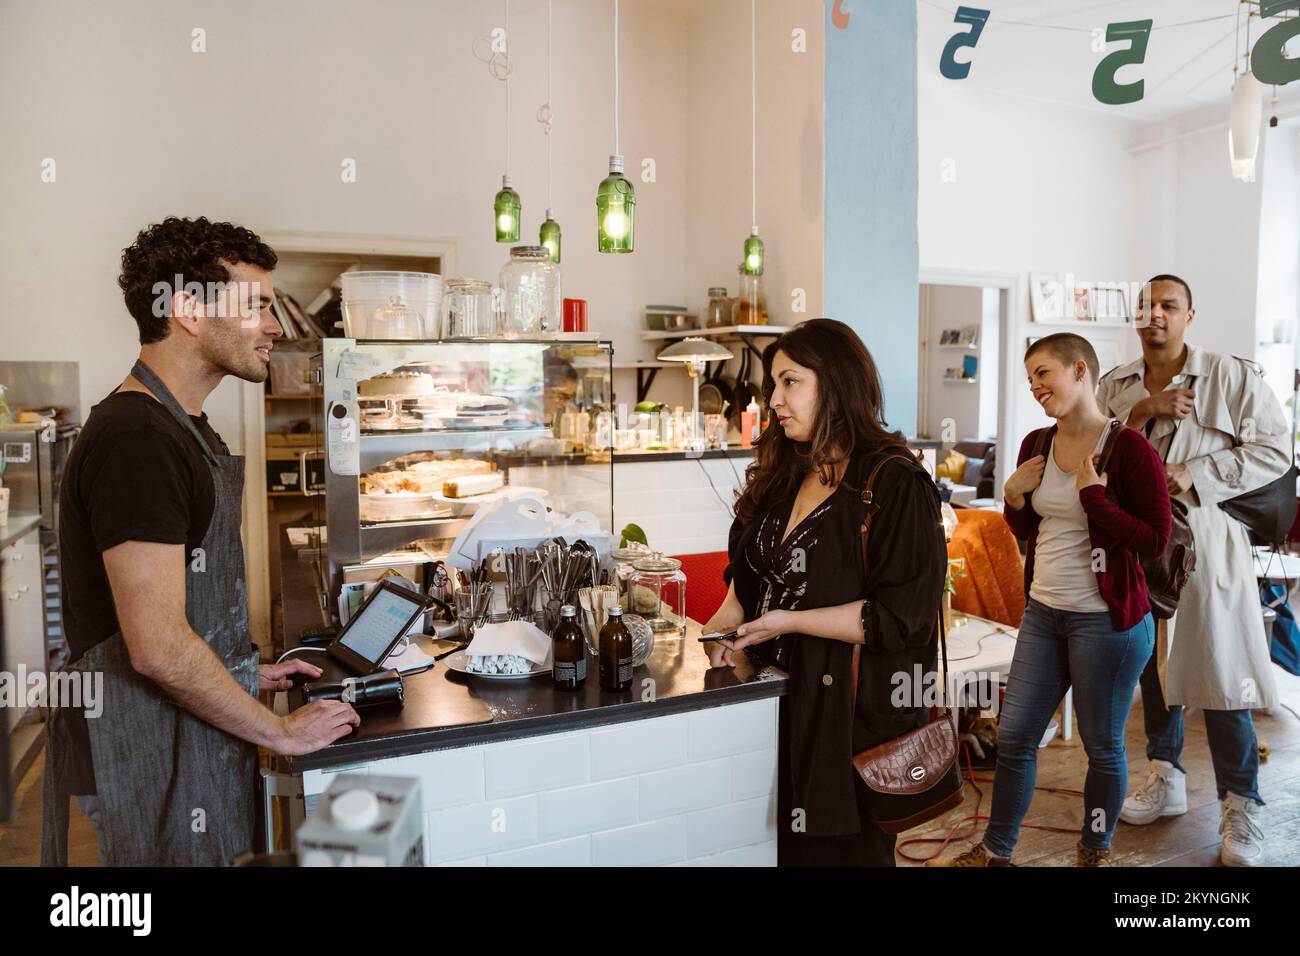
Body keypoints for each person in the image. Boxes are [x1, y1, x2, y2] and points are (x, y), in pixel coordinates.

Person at [43, 217, 360, 867]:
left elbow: (184, 609)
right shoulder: (139, 440)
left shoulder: (186, 428)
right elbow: (157, 645)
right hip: (149, 749)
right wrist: (279, 728)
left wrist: (244, 671)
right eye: (258, 306)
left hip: (190, 734)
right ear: (186, 308)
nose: (274, 326)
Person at [701, 318, 946, 867]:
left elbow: (900, 618)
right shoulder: (784, 469)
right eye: (773, 384)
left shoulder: (894, 483)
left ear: (835, 383)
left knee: (843, 855)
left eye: (790, 382)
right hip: (771, 703)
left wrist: (787, 621)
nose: (774, 400)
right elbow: (747, 576)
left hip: (847, 717)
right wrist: (724, 625)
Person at [929, 333, 1171, 867]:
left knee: (1101, 745)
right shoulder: (1036, 444)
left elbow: (1156, 539)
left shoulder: (1127, 449)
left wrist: (1094, 498)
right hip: (1043, 612)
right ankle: (996, 853)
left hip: (1106, 622)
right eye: (1030, 378)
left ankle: (1095, 850)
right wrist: (1014, 498)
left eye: (1044, 373)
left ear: (1079, 370)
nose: (1036, 387)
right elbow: (1030, 529)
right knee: (1015, 738)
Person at [1097, 275, 1290, 867]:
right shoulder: (1114, 385)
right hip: (1138, 546)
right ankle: (1167, 775)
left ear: (1189, 315)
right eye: (1146, 305)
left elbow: (1275, 450)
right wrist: (1139, 412)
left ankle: (1243, 806)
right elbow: (1091, 456)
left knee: (1222, 672)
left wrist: (1193, 472)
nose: (1154, 314)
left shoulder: (1231, 378)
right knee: (1155, 666)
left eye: (1168, 306)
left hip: (1208, 545)